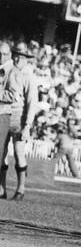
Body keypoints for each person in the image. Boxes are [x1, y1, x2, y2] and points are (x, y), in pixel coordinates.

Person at [0, 42, 39, 201]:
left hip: (20, 118)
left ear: (26, 58)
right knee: (2, 153)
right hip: (5, 114)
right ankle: (1, 188)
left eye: (21, 56)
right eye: (16, 55)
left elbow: (32, 102)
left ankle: (21, 188)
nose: (17, 59)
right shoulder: (8, 71)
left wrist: (28, 126)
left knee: (18, 152)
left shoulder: (29, 75)